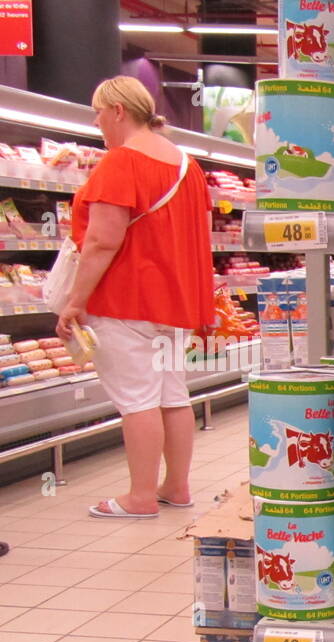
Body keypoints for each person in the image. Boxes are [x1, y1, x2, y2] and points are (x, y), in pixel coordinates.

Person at [56, 76, 215, 518]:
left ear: (119, 111)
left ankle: (140, 496)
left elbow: (103, 241)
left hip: (126, 300)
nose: (97, 121)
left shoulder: (121, 162)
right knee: (172, 394)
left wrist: (74, 301)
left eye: (98, 112)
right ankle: (176, 487)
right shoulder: (187, 165)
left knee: (137, 401)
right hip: (175, 302)